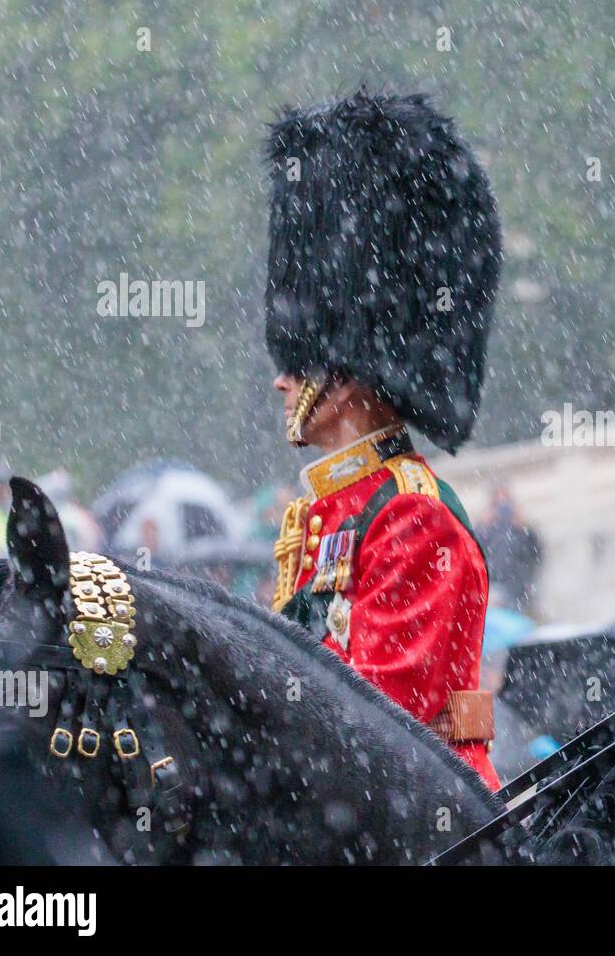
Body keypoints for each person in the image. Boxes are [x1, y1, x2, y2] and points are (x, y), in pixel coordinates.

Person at [265, 89, 503, 790]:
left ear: (345, 381)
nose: (283, 382)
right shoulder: (319, 514)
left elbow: (375, 721)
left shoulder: (411, 516)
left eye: (299, 365)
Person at [478, 484, 543, 614]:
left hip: (518, 589)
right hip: (493, 588)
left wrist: (524, 526)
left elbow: (536, 553)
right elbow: (476, 553)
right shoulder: (485, 530)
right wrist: (482, 527)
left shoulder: (521, 530)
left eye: (505, 501)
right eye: (498, 502)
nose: (502, 508)